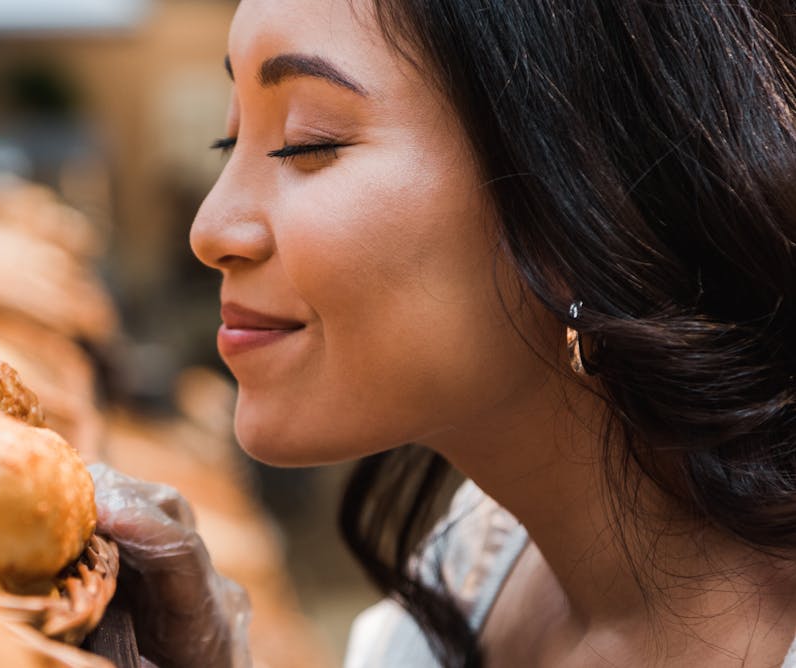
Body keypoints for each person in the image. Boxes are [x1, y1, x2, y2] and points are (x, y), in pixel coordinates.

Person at [92, 0, 796, 666]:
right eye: (230, 137)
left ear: (586, 199)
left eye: (308, 143)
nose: (209, 230)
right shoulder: (468, 566)